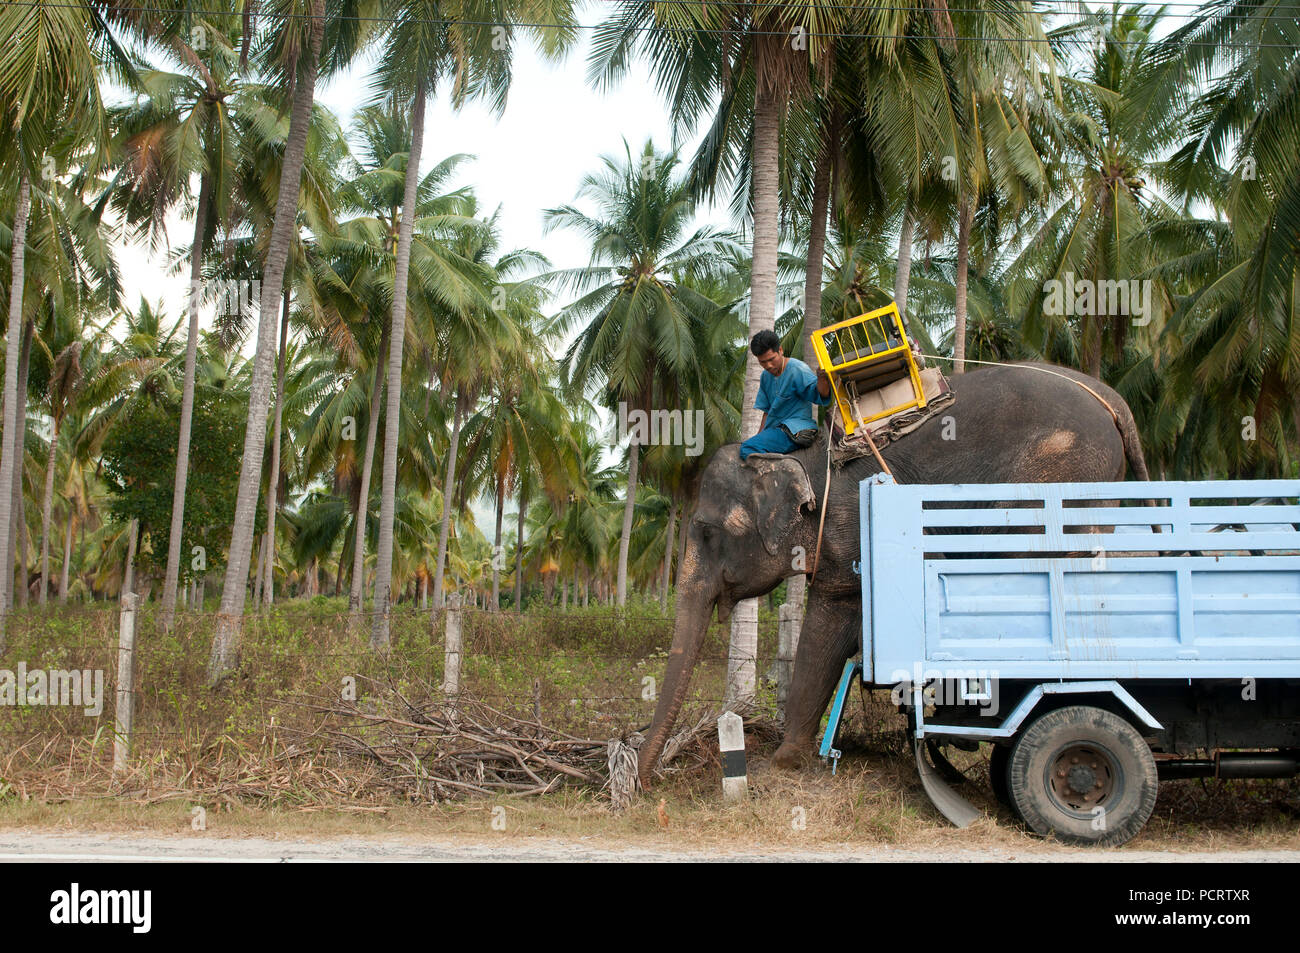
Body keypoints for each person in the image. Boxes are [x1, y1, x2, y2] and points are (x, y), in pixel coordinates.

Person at [740, 329, 833, 460]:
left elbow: (821, 395)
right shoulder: (765, 377)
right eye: (762, 362)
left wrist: (822, 378)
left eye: (771, 359)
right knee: (751, 444)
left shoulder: (797, 369)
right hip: (777, 432)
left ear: (781, 350)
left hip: (797, 431)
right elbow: (767, 412)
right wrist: (758, 438)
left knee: (747, 449)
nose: (768, 365)